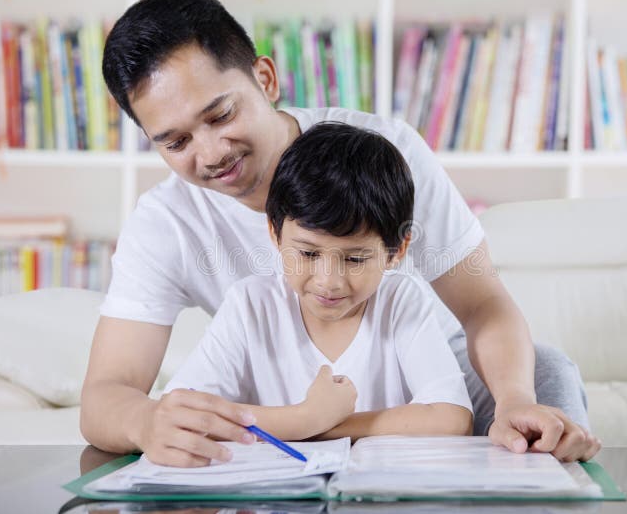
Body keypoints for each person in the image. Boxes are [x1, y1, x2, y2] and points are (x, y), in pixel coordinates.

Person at [82, 0, 600, 467]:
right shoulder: (164, 223)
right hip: (288, 402)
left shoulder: (384, 153)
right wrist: (146, 421)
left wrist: (514, 400)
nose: (211, 154)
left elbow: (483, 304)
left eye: (220, 115)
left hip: (426, 389)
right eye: (176, 143)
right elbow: (107, 392)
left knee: (547, 372)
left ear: (264, 79)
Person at [163, 122, 473, 446]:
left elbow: (453, 419)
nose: (328, 281)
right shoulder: (250, 306)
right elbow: (181, 416)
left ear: (397, 250)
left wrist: (322, 426)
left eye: (354, 259)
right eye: (308, 253)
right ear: (275, 233)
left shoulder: (400, 302)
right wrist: (305, 417)